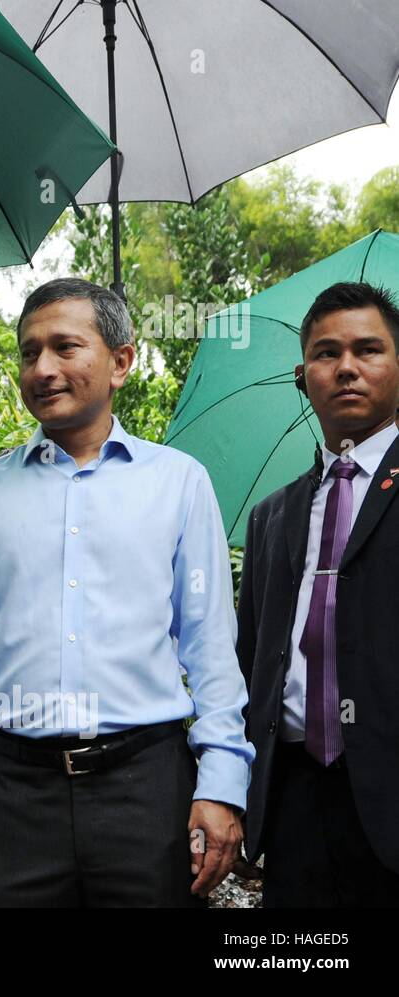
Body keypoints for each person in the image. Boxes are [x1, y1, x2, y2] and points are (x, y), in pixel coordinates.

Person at [0, 277, 253, 907]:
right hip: (9, 791)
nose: (42, 369)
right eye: (29, 353)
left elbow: (211, 646)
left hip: (147, 787)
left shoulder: (180, 483)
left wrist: (220, 784)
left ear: (121, 362)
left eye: (64, 347)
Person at [238, 281, 399, 906]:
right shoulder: (272, 516)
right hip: (296, 799)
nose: (347, 367)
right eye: (327, 354)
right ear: (304, 377)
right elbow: (252, 658)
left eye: (369, 350)